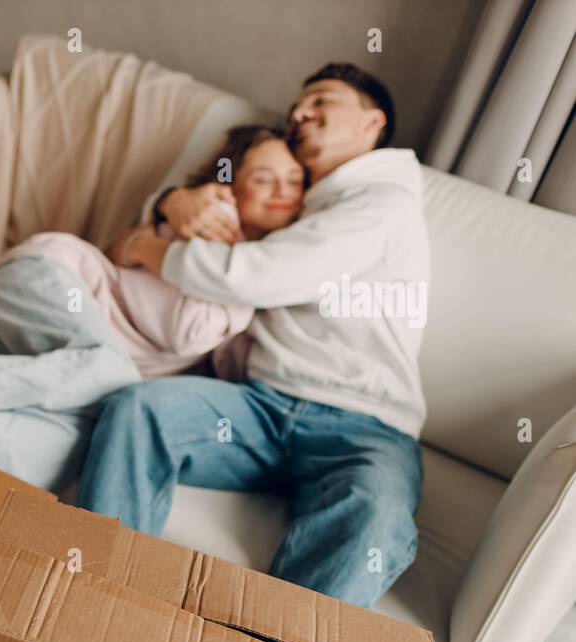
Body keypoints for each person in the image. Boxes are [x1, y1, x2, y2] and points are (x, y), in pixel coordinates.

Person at [79, 63, 429, 609]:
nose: (299, 114)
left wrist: (156, 250)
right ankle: (93, 601)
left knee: (377, 513)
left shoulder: (381, 206)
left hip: (364, 427)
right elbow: (219, 200)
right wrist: (171, 201)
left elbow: (259, 274)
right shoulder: (304, 197)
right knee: (139, 410)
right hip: (261, 411)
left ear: (372, 122)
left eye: (321, 101)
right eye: (296, 106)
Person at [0, 125, 306, 493]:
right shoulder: (210, 222)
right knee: (113, 377)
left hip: (58, 359)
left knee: (71, 451)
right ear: (230, 182)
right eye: (265, 178)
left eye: (294, 180)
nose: (283, 191)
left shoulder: (257, 273)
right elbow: (184, 329)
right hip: (44, 282)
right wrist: (243, 284)